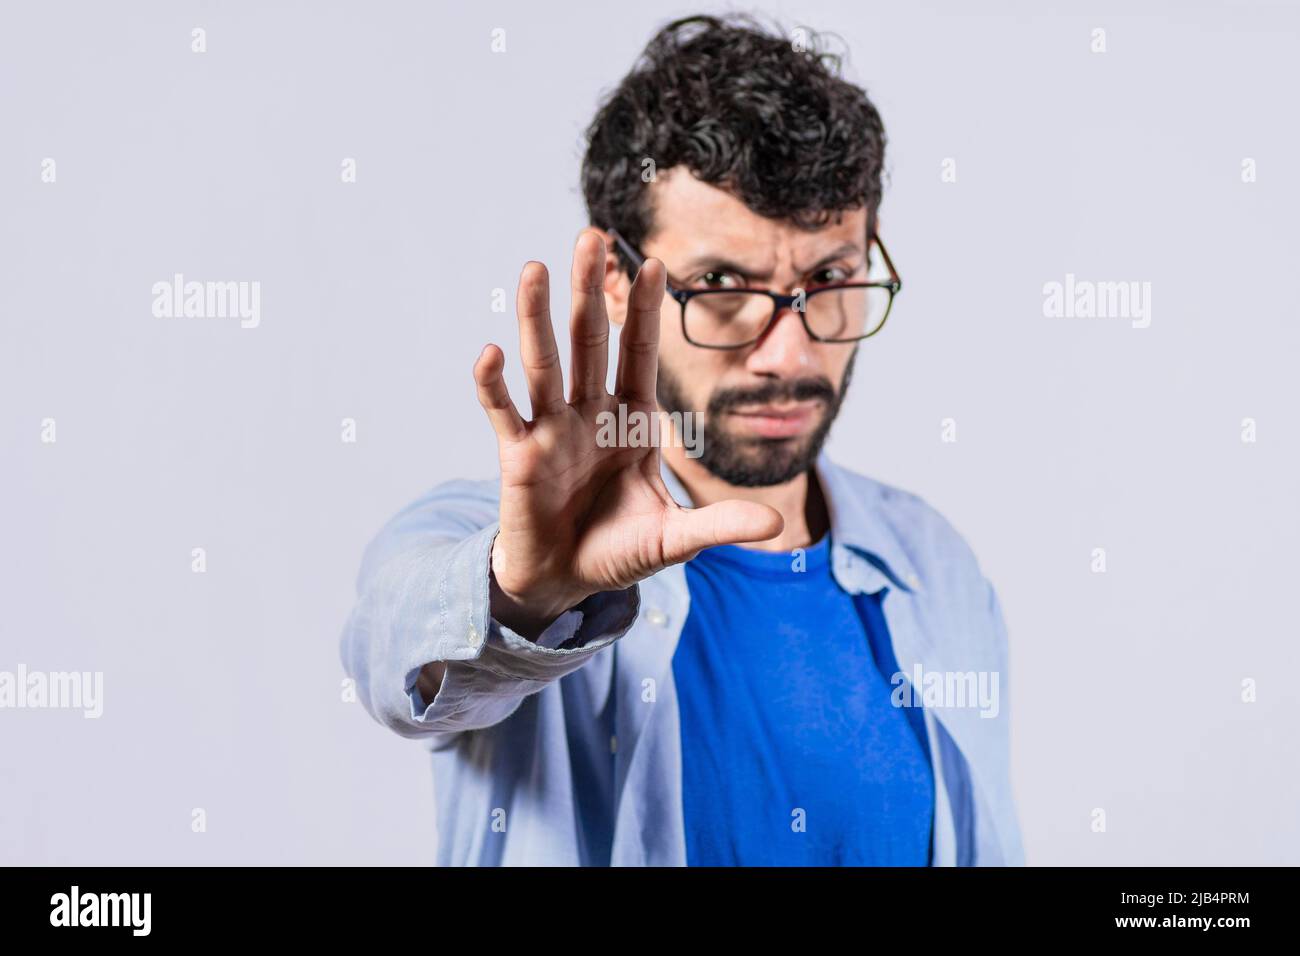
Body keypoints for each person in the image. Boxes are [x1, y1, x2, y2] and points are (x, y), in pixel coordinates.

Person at [340, 13, 1024, 866]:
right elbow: (395, 652)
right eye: (723, 286)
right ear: (622, 284)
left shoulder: (935, 565)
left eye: (830, 278)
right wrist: (523, 597)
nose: (789, 352)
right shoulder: (508, 546)